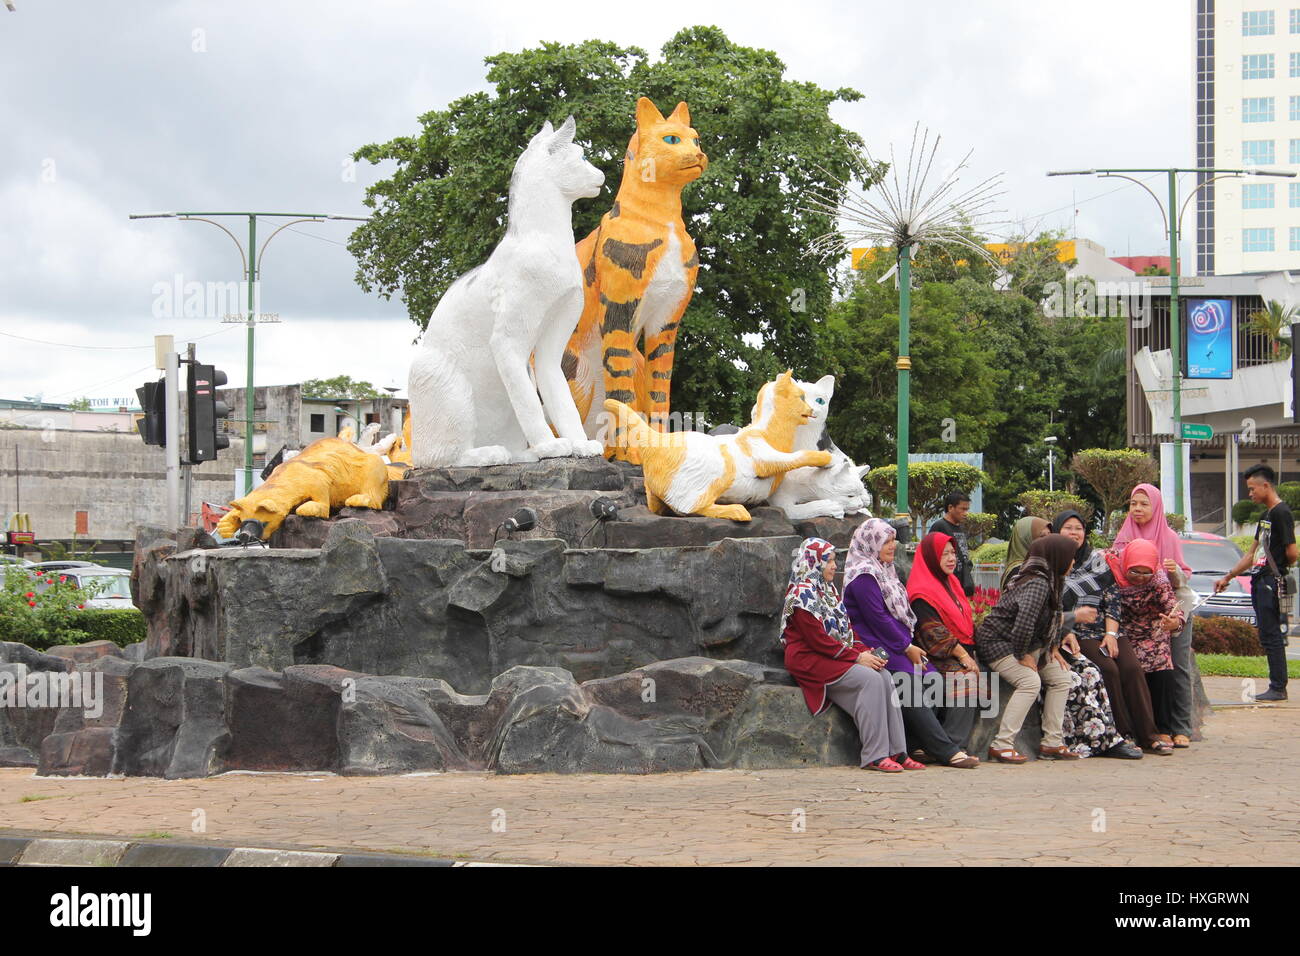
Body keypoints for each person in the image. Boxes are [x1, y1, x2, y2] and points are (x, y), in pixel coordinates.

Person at [842, 519, 981, 768]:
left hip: (896, 641)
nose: (891, 545)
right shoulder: (864, 574)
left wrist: (907, 645)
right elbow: (878, 619)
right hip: (874, 645)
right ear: (870, 542)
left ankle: (917, 745)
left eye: (893, 539)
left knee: (934, 679)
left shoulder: (885, 569)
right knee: (908, 686)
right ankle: (947, 750)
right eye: (885, 540)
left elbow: (896, 617)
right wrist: (906, 647)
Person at [780, 537, 910, 772]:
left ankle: (897, 751)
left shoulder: (828, 591)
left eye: (834, 560)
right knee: (870, 679)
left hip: (829, 654)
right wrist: (857, 658)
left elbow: (847, 632)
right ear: (813, 562)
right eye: (828, 560)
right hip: (808, 658)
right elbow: (817, 640)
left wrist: (865, 651)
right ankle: (874, 755)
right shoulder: (801, 595)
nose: (834, 565)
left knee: (884, 676)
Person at [1054, 510, 1173, 755]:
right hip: (1075, 633)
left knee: (1131, 668)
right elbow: (1053, 605)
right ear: (1057, 530)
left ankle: (1149, 735)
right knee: (1108, 669)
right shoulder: (1053, 562)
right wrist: (1066, 628)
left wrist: (1111, 634)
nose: (1074, 533)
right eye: (1068, 527)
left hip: (1106, 629)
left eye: (1078, 528)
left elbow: (1112, 599)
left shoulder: (1097, 561)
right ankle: (1122, 735)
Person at [975, 534, 1079, 763]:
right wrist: (1022, 656)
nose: (1074, 563)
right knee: (1030, 682)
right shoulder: (1038, 583)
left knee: (1062, 677)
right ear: (1057, 557)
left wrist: (1050, 648)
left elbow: (1050, 619)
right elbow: (1024, 623)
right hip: (997, 642)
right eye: (1071, 558)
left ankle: (1052, 743)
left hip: (1026, 644)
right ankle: (1001, 745)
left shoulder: (1053, 579)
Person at [1111, 482, 1197, 746]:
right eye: (1133, 503)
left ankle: (1180, 727)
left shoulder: (1168, 537)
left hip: (1170, 610)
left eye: (1144, 504)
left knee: (1177, 665)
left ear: (1156, 506)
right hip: (1135, 617)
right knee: (1136, 669)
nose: (1137, 509)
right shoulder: (1123, 537)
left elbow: (1185, 576)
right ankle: (1144, 726)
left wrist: (1173, 571)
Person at [1215, 464, 1297, 702]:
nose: (1250, 494)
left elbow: (1292, 552)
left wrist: (1277, 566)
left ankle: (1278, 687)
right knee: (1266, 634)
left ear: (1266, 486)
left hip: (1272, 580)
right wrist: (1228, 577)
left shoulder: (1282, 513)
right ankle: (1277, 685)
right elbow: (1251, 555)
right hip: (1259, 580)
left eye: (1252, 489)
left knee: (1272, 635)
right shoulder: (1265, 517)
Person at [1101, 540, 1185, 739]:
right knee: (1129, 669)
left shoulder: (1159, 579)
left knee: (1163, 668)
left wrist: (1173, 622)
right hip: (1120, 629)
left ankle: (1164, 728)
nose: (1140, 578)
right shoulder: (1109, 567)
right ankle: (1133, 727)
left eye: (1145, 573)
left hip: (1153, 630)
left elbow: (1173, 608)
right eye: (1134, 572)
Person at [906, 531, 981, 752]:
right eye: (944, 554)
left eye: (953, 553)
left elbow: (966, 620)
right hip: (933, 655)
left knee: (981, 673)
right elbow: (933, 634)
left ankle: (942, 745)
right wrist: (964, 655)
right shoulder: (921, 590)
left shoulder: (952, 583)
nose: (951, 559)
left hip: (955, 651)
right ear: (930, 557)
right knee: (966, 679)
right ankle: (951, 746)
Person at [929, 492, 976, 596]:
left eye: (967, 509)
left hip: (960, 585)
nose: (966, 513)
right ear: (950, 508)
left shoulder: (960, 527)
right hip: (946, 586)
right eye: (962, 509)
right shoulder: (939, 527)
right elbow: (931, 558)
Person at [1000, 516, 1049, 590]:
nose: (1048, 540)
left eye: (1050, 535)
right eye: (1042, 536)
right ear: (1025, 539)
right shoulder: (1019, 571)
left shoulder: (1038, 564)